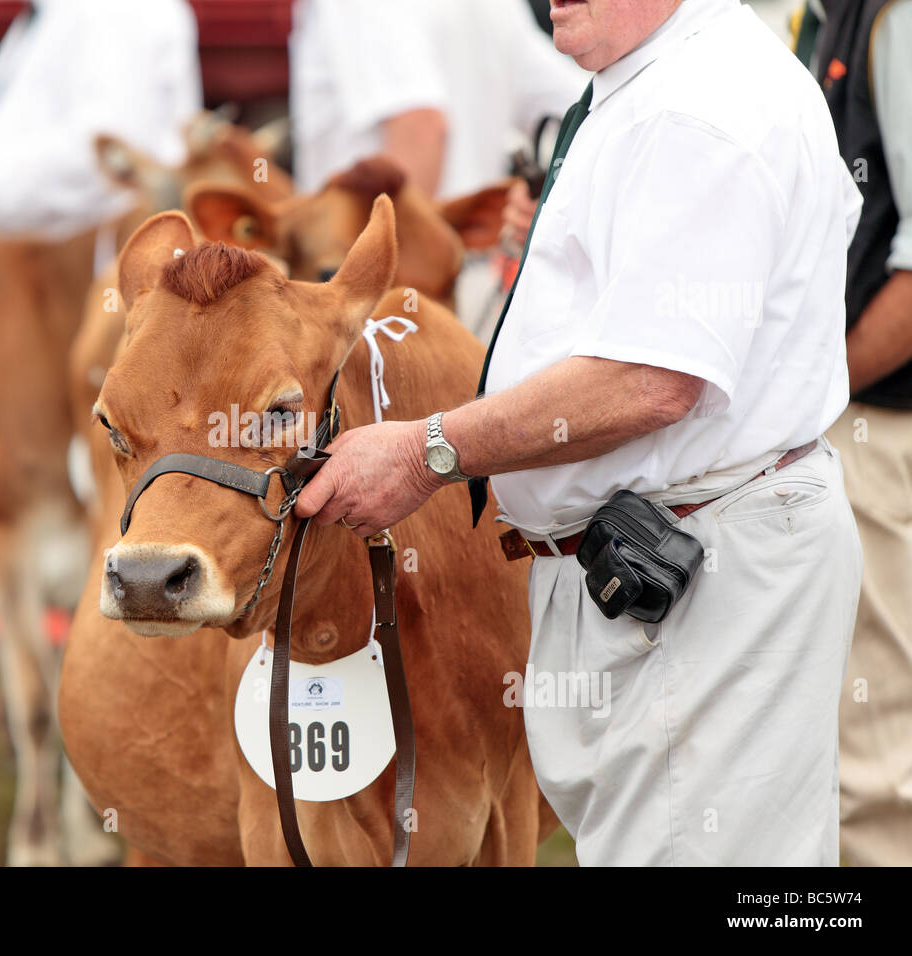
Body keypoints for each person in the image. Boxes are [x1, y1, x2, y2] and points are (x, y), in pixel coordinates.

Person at [296, 0, 863, 865]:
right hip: (666, 561)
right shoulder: (653, 78)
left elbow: (652, 380)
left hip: (699, 566)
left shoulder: (698, 103)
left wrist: (425, 451)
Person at [797, 0, 912, 866]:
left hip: (878, 430)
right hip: (852, 419)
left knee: (874, 765)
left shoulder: (892, 17)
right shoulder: (831, 12)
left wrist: (812, 391)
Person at [0, 0, 202, 239]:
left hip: (85, 279)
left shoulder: (118, 9)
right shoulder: (56, 12)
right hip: (46, 272)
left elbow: (107, 161)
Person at [288, 0, 584, 200]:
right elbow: (581, 107)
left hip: (395, 275)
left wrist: (378, 280)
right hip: (469, 265)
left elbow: (420, 127)